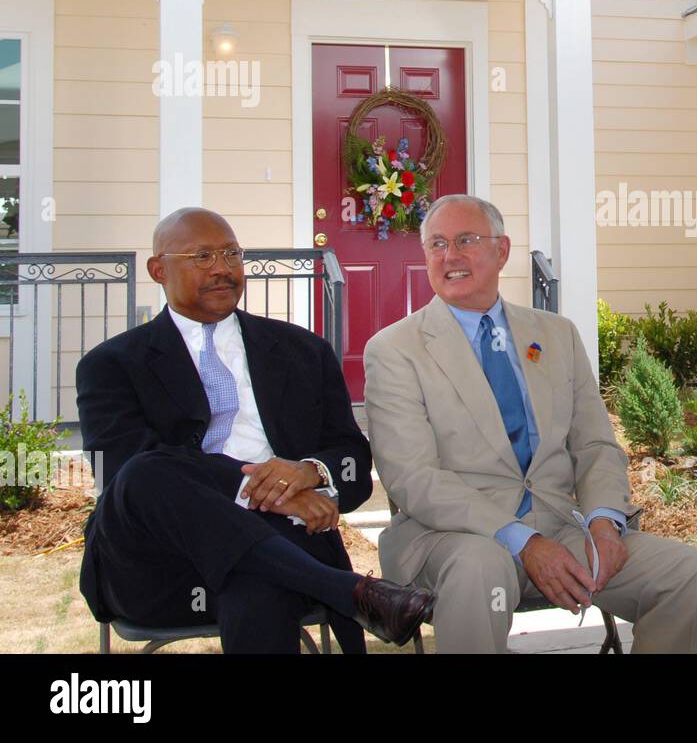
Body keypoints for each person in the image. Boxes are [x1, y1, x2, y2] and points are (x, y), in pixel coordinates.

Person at [364, 194, 697, 653]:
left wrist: (604, 521)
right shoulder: (395, 350)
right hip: (454, 539)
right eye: (436, 244)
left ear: (502, 251)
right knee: (481, 570)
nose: (449, 256)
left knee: (690, 576)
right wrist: (525, 542)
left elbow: (595, 445)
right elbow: (413, 478)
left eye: (465, 240)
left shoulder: (555, 335)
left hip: (562, 530)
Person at [78, 207, 437, 653]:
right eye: (203, 256)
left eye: (232, 254)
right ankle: (349, 592)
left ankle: (333, 585)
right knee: (145, 471)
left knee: (257, 580)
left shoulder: (303, 351)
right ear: (158, 269)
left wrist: (311, 473)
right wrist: (276, 494)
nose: (223, 269)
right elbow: (119, 478)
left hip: (286, 546)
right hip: (161, 567)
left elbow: (352, 458)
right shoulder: (112, 365)